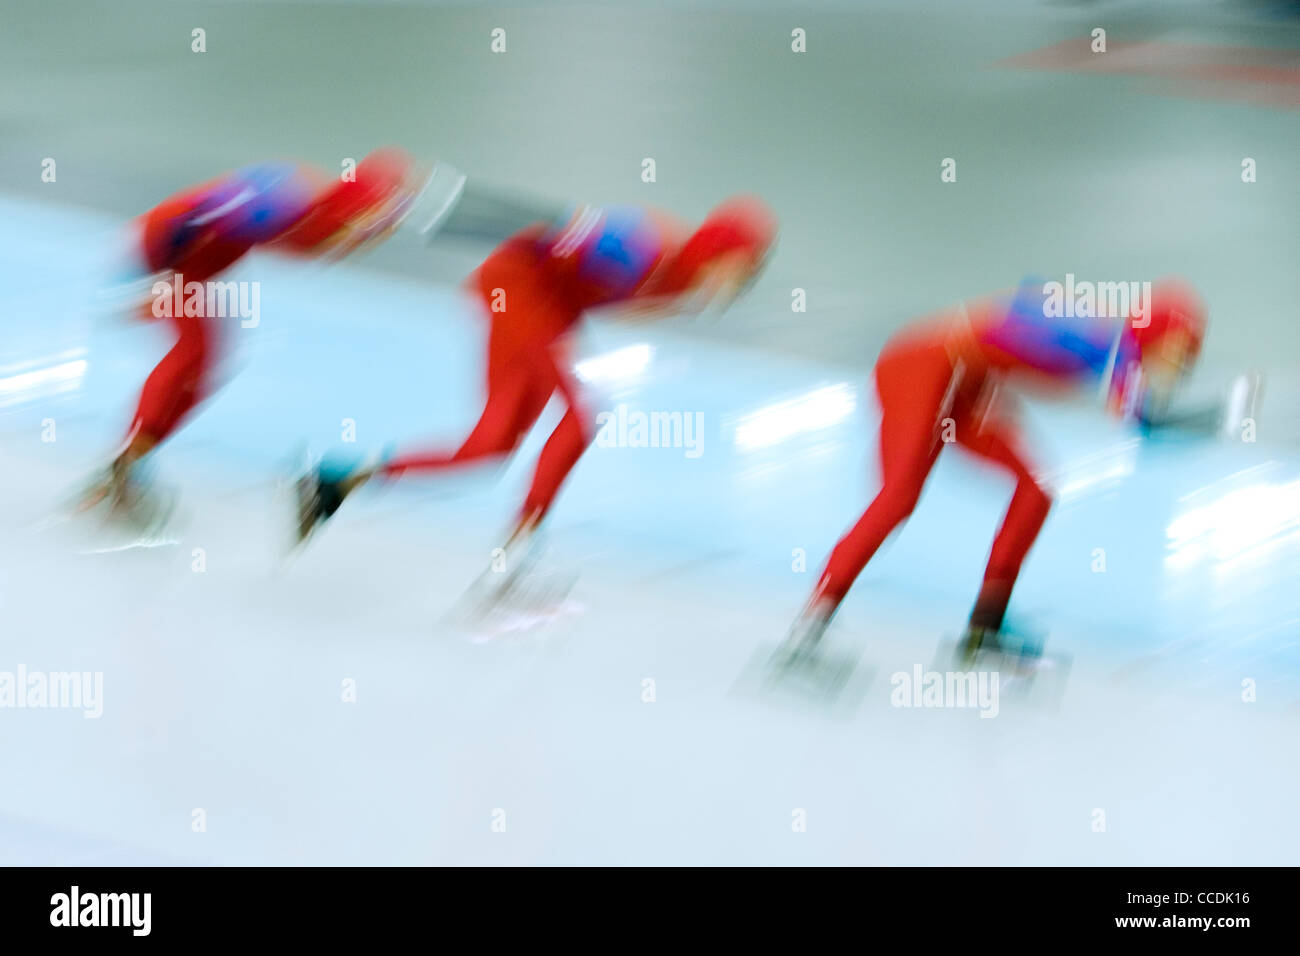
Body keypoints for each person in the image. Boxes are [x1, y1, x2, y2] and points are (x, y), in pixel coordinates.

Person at [294, 196, 777, 591]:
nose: (743, 283)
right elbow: (547, 235)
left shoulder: (685, 291)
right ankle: (520, 551)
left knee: (490, 446)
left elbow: (598, 301)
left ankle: (335, 480)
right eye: (742, 267)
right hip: (518, 287)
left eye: (753, 273)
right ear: (716, 249)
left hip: (547, 307)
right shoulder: (649, 248)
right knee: (582, 416)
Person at [779, 275, 1209, 665]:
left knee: (1034, 491)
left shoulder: (1113, 354)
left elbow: (1136, 416)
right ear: (1156, 337)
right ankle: (808, 629)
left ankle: (985, 627)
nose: (1181, 368)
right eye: (1181, 354)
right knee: (898, 498)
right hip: (922, 364)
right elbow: (1019, 310)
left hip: (968, 381)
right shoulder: (1092, 340)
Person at [79, 149, 421, 524]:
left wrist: (372, 226)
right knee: (191, 357)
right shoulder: (284, 198)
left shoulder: (327, 222)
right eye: (376, 214)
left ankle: (130, 463)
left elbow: (320, 243)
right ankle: (125, 467)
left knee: (200, 368)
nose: (375, 227)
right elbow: (195, 214)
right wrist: (147, 283)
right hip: (165, 252)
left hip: (190, 267)